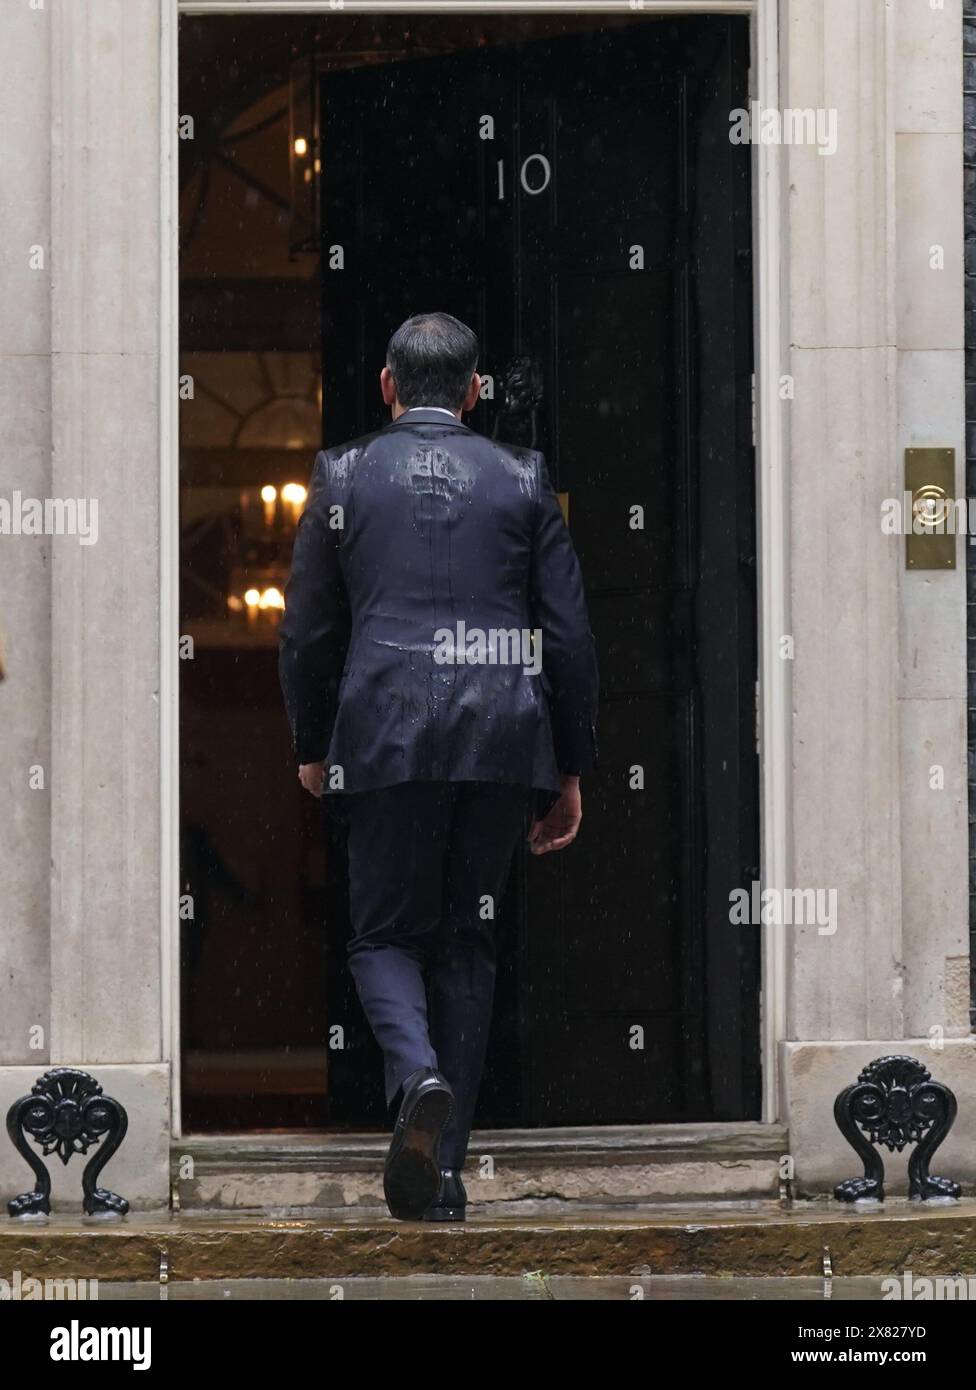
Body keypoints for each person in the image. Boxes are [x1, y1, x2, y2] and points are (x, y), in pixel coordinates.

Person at [279, 311, 598, 1221]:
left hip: (382, 736)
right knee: (467, 938)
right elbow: (569, 636)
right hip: (501, 736)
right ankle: (445, 1174)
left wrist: (311, 743)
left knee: (383, 935)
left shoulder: (342, 474)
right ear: (471, 392)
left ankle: (416, 1074)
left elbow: (305, 630)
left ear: (387, 386)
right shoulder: (524, 476)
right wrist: (569, 763)